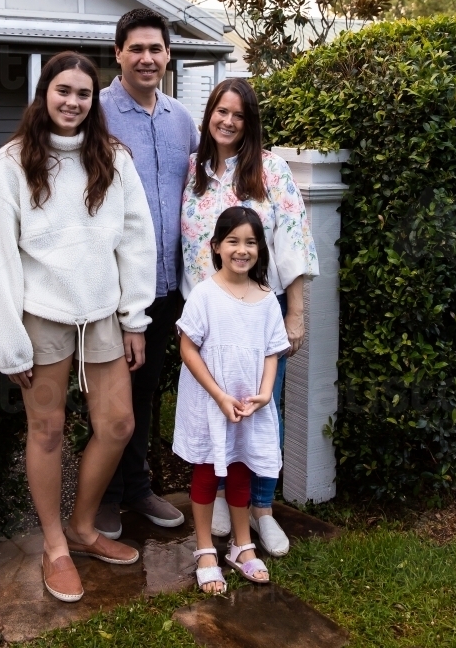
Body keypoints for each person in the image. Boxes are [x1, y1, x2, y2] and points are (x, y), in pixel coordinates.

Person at [0, 51, 157, 603]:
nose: (73, 102)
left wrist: (134, 318)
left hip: (102, 313)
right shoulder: (12, 161)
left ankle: (82, 528)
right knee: (48, 431)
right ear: (44, 94)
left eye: (83, 93)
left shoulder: (113, 157)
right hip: (43, 319)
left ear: (93, 100)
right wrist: (9, 344)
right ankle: (54, 544)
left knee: (119, 424)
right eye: (63, 91)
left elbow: (135, 238)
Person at [181, 78, 318, 556]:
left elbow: (294, 243)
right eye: (221, 111)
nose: (228, 121)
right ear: (209, 114)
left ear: (249, 122)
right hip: (208, 315)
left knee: (260, 408)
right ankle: (221, 494)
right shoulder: (195, 169)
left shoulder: (271, 172)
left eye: (239, 114)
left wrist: (296, 314)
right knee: (213, 407)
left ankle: (261, 509)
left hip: (261, 311)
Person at [97, 7, 199, 538]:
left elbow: (211, 184)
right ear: (117, 53)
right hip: (114, 293)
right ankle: (105, 498)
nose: (146, 58)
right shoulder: (97, 115)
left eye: (155, 49)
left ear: (167, 55)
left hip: (168, 289)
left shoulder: (183, 120)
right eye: (135, 48)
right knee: (111, 399)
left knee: (144, 395)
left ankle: (137, 489)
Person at [175, 207, 289, 593]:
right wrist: (220, 396)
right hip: (213, 404)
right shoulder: (205, 294)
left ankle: (242, 546)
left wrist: (263, 395)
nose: (243, 250)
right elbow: (187, 349)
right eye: (234, 241)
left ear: (261, 249)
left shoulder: (267, 298)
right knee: (207, 472)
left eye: (251, 242)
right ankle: (206, 548)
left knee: (243, 469)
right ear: (217, 247)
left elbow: (273, 351)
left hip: (249, 405)